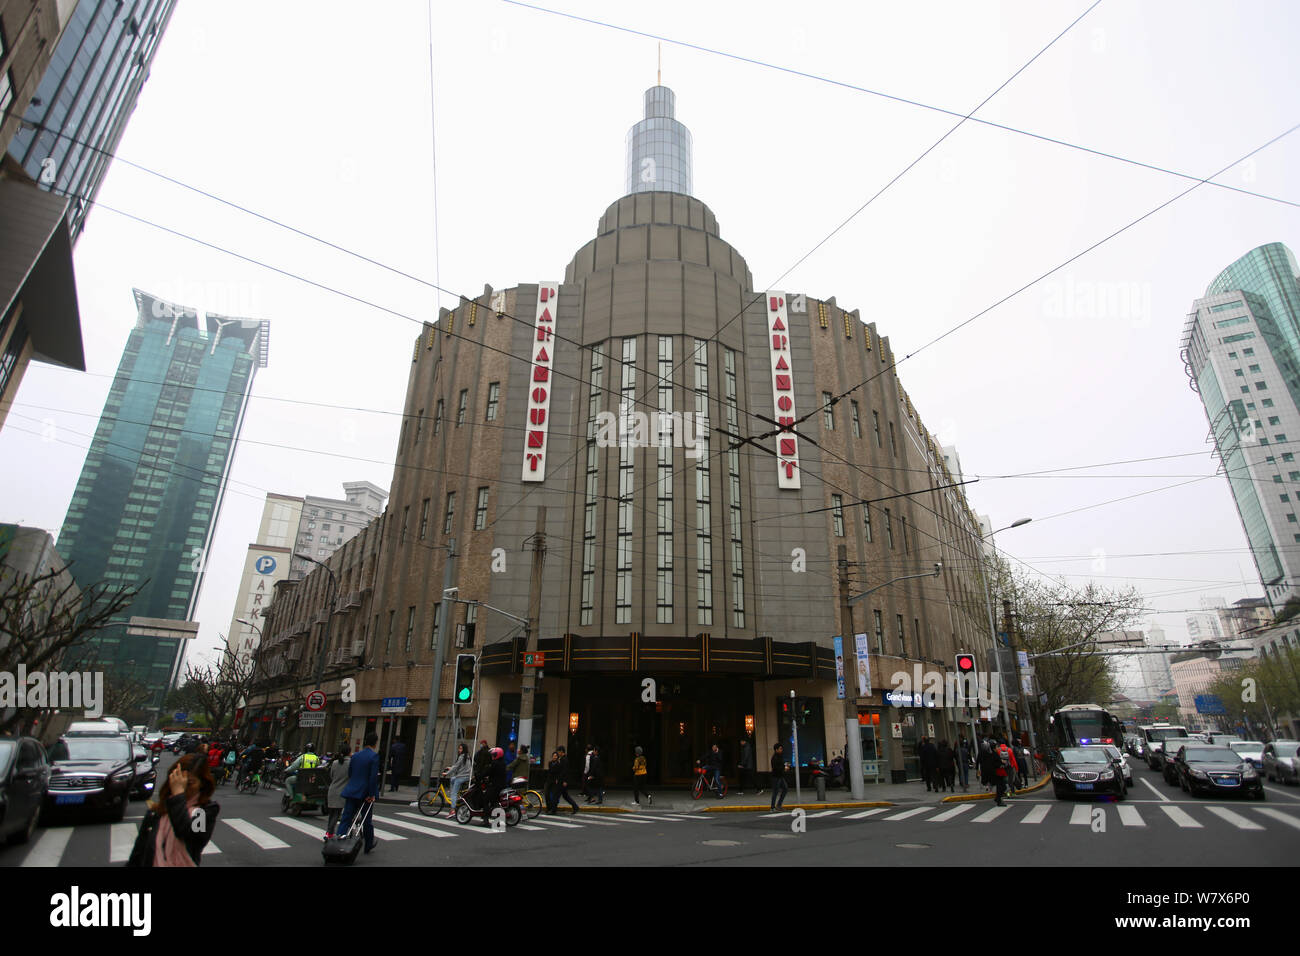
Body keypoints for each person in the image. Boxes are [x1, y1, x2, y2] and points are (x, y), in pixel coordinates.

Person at [126, 754, 220, 867]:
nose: (184, 788)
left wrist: (178, 795)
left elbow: (188, 835)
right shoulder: (156, 813)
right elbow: (138, 854)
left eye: (189, 784)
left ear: (202, 784)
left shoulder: (204, 811)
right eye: (180, 782)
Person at [337, 732, 380, 855]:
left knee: (346, 817)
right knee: (366, 820)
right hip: (365, 792)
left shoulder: (355, 756)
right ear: (375, 743)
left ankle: (340, 839)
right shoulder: (374, 756)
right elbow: (373, 778)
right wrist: (371, 794)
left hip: (351, 790)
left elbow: (350, 773)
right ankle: (368, 844)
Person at [546, 747, 580, 814]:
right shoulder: (561, 759)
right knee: (565, 796)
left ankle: (553, 810)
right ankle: (575, 807)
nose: (558, 753)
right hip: (561, 780)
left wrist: (565, 781)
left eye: (558, 752)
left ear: (562, 752)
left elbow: (565, 771)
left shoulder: (564, 760)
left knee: (556, 795)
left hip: (562, 781)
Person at [324, 749, 350, 837]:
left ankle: (329, 832)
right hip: (342, 791)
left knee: (332, 814)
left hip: (332, 790)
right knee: (337, 814)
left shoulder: (335, 763)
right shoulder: (350, 763)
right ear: (349, 753)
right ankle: (331, 833)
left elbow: (331, 775)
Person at [447, 743, 472, 817]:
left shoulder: (462, 757)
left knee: (453, 793)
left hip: (461, 777)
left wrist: (447, 773)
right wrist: (451, 768)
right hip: (467, 776)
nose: (459, 750)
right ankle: (459, 793)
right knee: (452, 779)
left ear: (463, 749)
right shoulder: (468, 757)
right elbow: (458, 766)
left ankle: (452, 810)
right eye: (459, 748)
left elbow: (456, 767)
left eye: (460, 749)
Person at [769, 744, 789, 811]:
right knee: (775, 791)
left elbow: (781, 765)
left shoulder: (780, 756)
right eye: (780, 749)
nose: (781, 750)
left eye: (781, 748)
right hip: (776, 776)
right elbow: (776, 768)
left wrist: (785, 766)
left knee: (785, 788)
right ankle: (772, 807)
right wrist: (784, 768)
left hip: (780, 776)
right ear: (776, 749)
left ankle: (778, 805)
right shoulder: (775, 757)